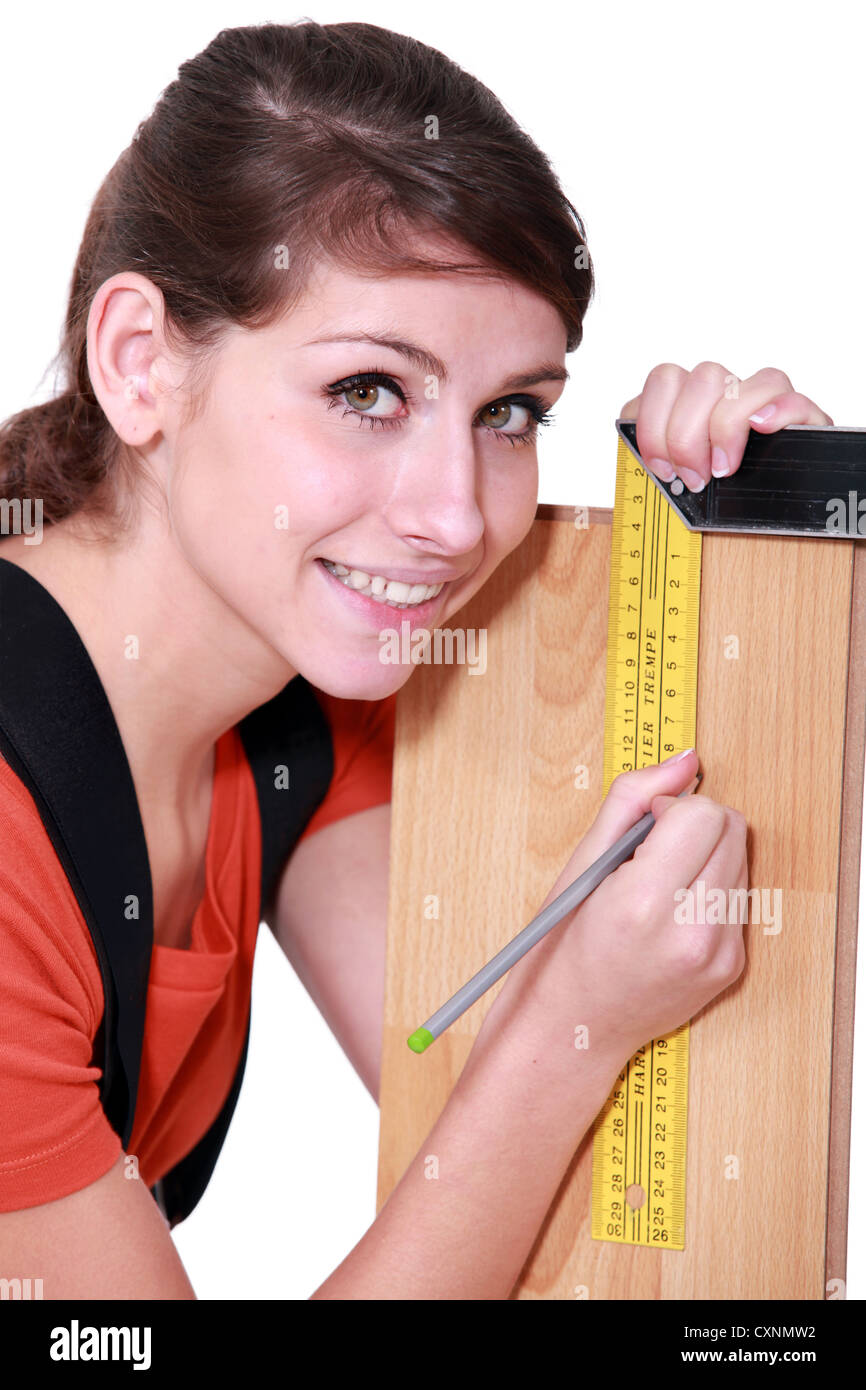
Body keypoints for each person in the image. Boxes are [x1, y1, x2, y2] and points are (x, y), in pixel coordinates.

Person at [0, 19, 832, 1300]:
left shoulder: (295, 709)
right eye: (370, 390)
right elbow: (540, 1064)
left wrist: (777, 571)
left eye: (509, 412)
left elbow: (530, 1126)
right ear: (140, 362)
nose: (456, 515)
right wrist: (572, 1025)